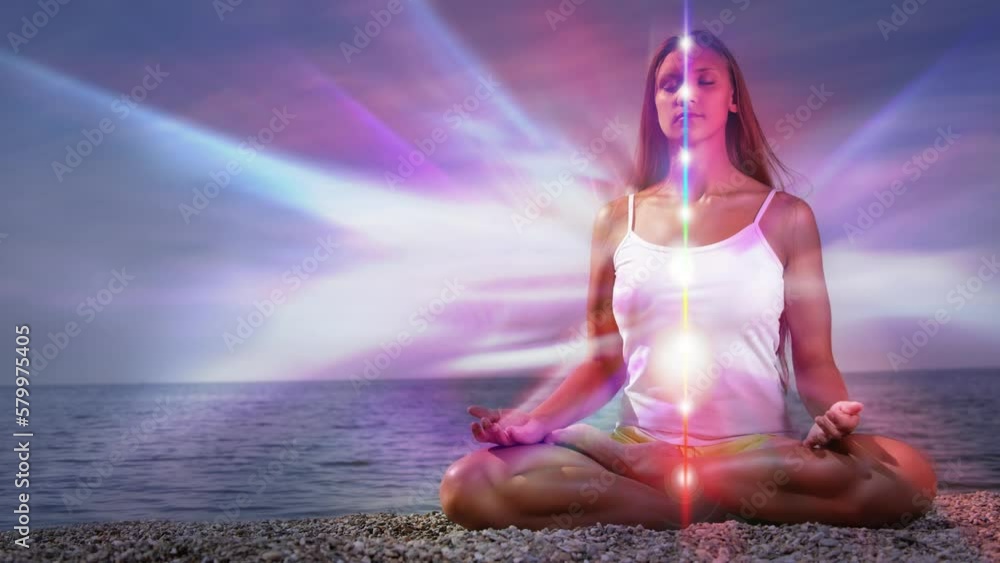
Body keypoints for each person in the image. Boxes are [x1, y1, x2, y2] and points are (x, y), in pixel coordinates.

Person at [438, 30, 937, 531]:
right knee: (468, 484)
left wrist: (834, 420)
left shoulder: (786, 218)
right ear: (654, 103)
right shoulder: (616, 220)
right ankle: (693, 498)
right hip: (638, 448)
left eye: (705, 81)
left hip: (755, 455)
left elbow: (813, 361)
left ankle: (678, 486)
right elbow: (603, 361)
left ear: (733, 99)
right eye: (669, 84)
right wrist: (536, 422)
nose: (685, 95)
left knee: (908, 476)